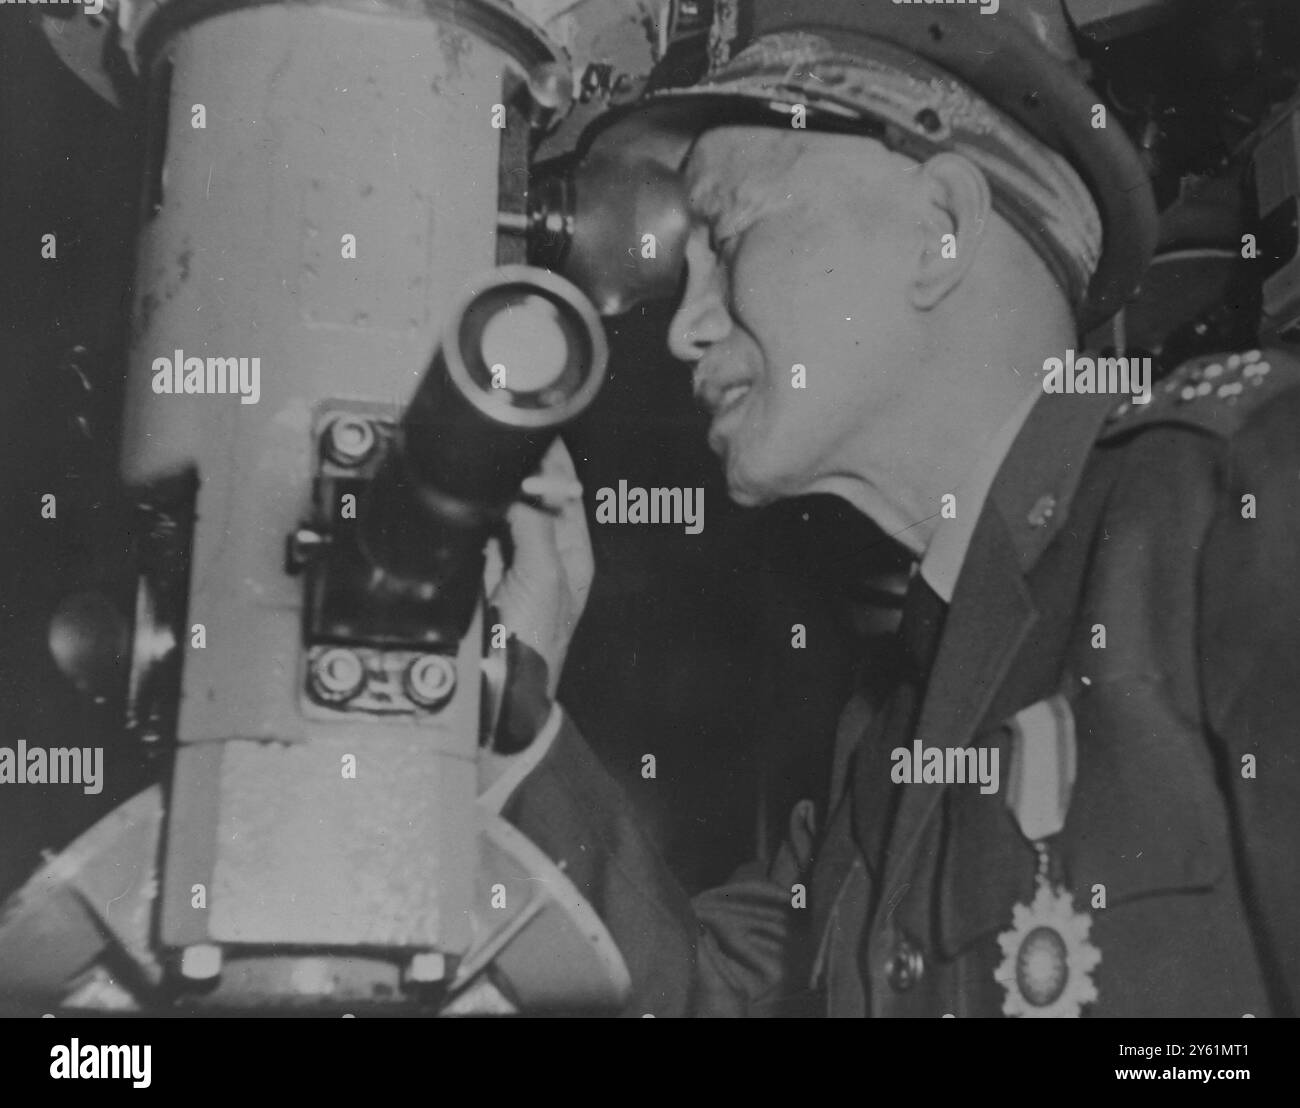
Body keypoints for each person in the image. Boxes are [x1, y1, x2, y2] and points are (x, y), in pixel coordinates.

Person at [483, 0, 1300, 1017]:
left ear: (939, 232)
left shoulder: (1237, 504)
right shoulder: (888, 729)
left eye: (728, 238)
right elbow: (698, 997)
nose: (687, 327)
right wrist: (512, 697)